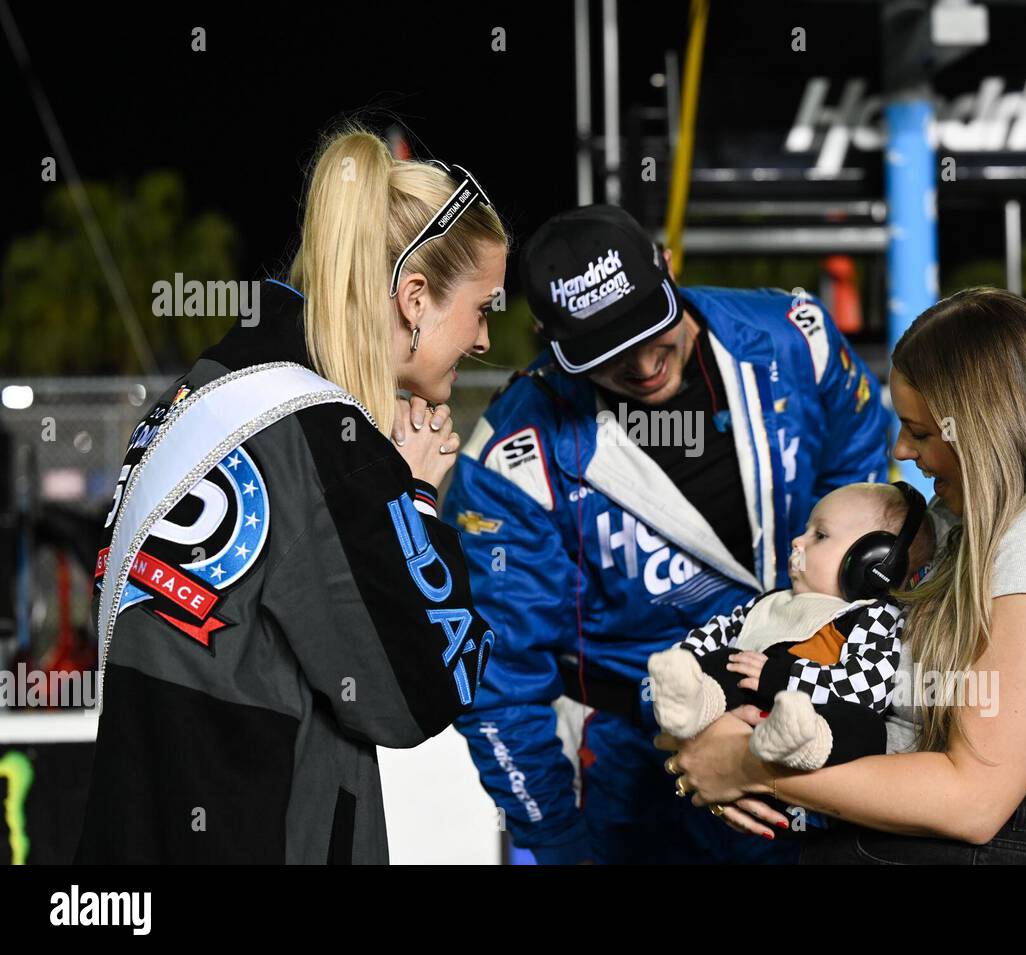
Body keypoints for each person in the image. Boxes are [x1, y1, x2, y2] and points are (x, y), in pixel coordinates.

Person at [76, 125, 508, 863]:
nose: (484, 342)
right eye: (484, 308)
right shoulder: (322, 438)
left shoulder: (195, 395)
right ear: (414, 298)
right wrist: (418, 501)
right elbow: (424, 687)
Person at [659, 287, 1026, 865]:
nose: (901, 450)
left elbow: (973, 800)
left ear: (988, 431)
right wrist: (711, 720)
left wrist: (745, 766)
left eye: (922, 432)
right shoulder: (960, 525)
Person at [445, 204, 891, 864]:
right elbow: (503, 681)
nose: (643, 363)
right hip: (638, 767)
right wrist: (565, 848)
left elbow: (863, 471)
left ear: (669, 267)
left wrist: (833, 627)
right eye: (608, 349)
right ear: (548, 338)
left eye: (649, 325)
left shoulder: (796, 338)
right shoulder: (513, 460)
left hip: (817, 726)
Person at [649, 482, 934, 771]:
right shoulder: (774, 601)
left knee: (868, 727)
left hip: (814, 738)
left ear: (875, 563)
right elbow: (721, 631)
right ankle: (691, 704)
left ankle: (805, 742)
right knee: (726, 660)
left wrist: (780, 677)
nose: (797, 541)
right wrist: (683, 659)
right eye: (806, 530)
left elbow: (867, 690)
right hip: (736, 733)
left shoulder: (873, 616)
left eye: (819, 535)